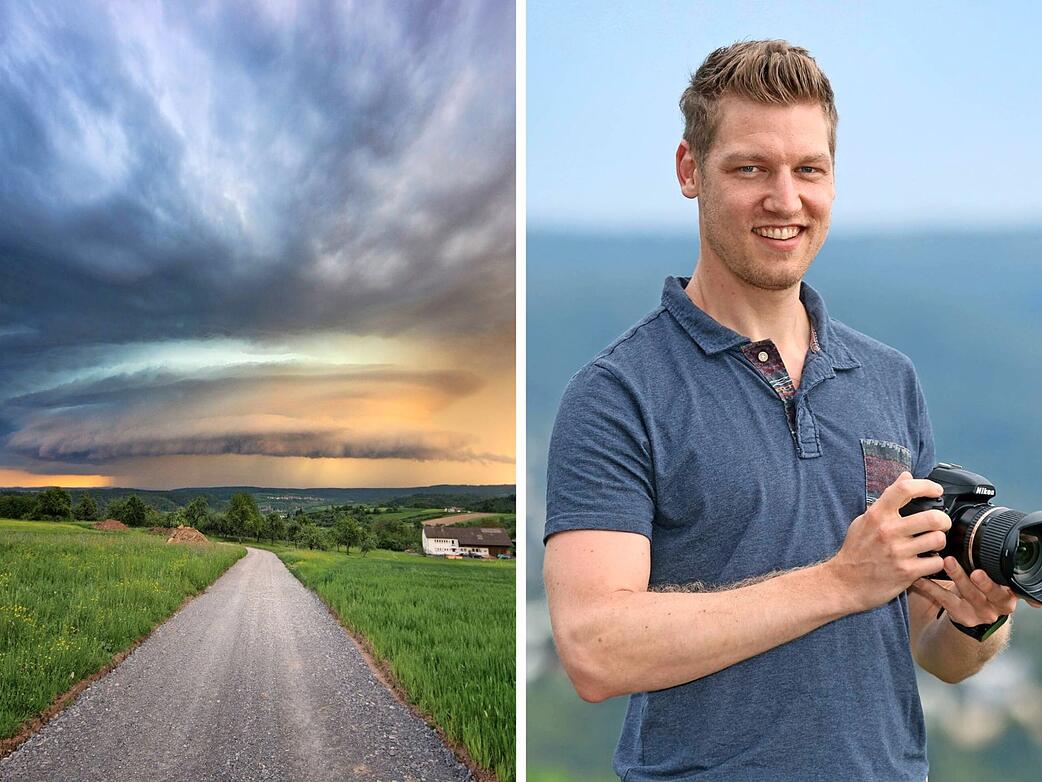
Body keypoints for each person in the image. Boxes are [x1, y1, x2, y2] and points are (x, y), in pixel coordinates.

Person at [542, 40, 1035, 782]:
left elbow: (930, 651)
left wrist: (977, 616)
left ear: (833, 180)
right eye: (750, 168)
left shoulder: (887, 379)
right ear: (689, 171)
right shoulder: (619, 393)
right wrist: (838, 580)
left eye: (809, 169)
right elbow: (594, 650)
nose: (785, 198)